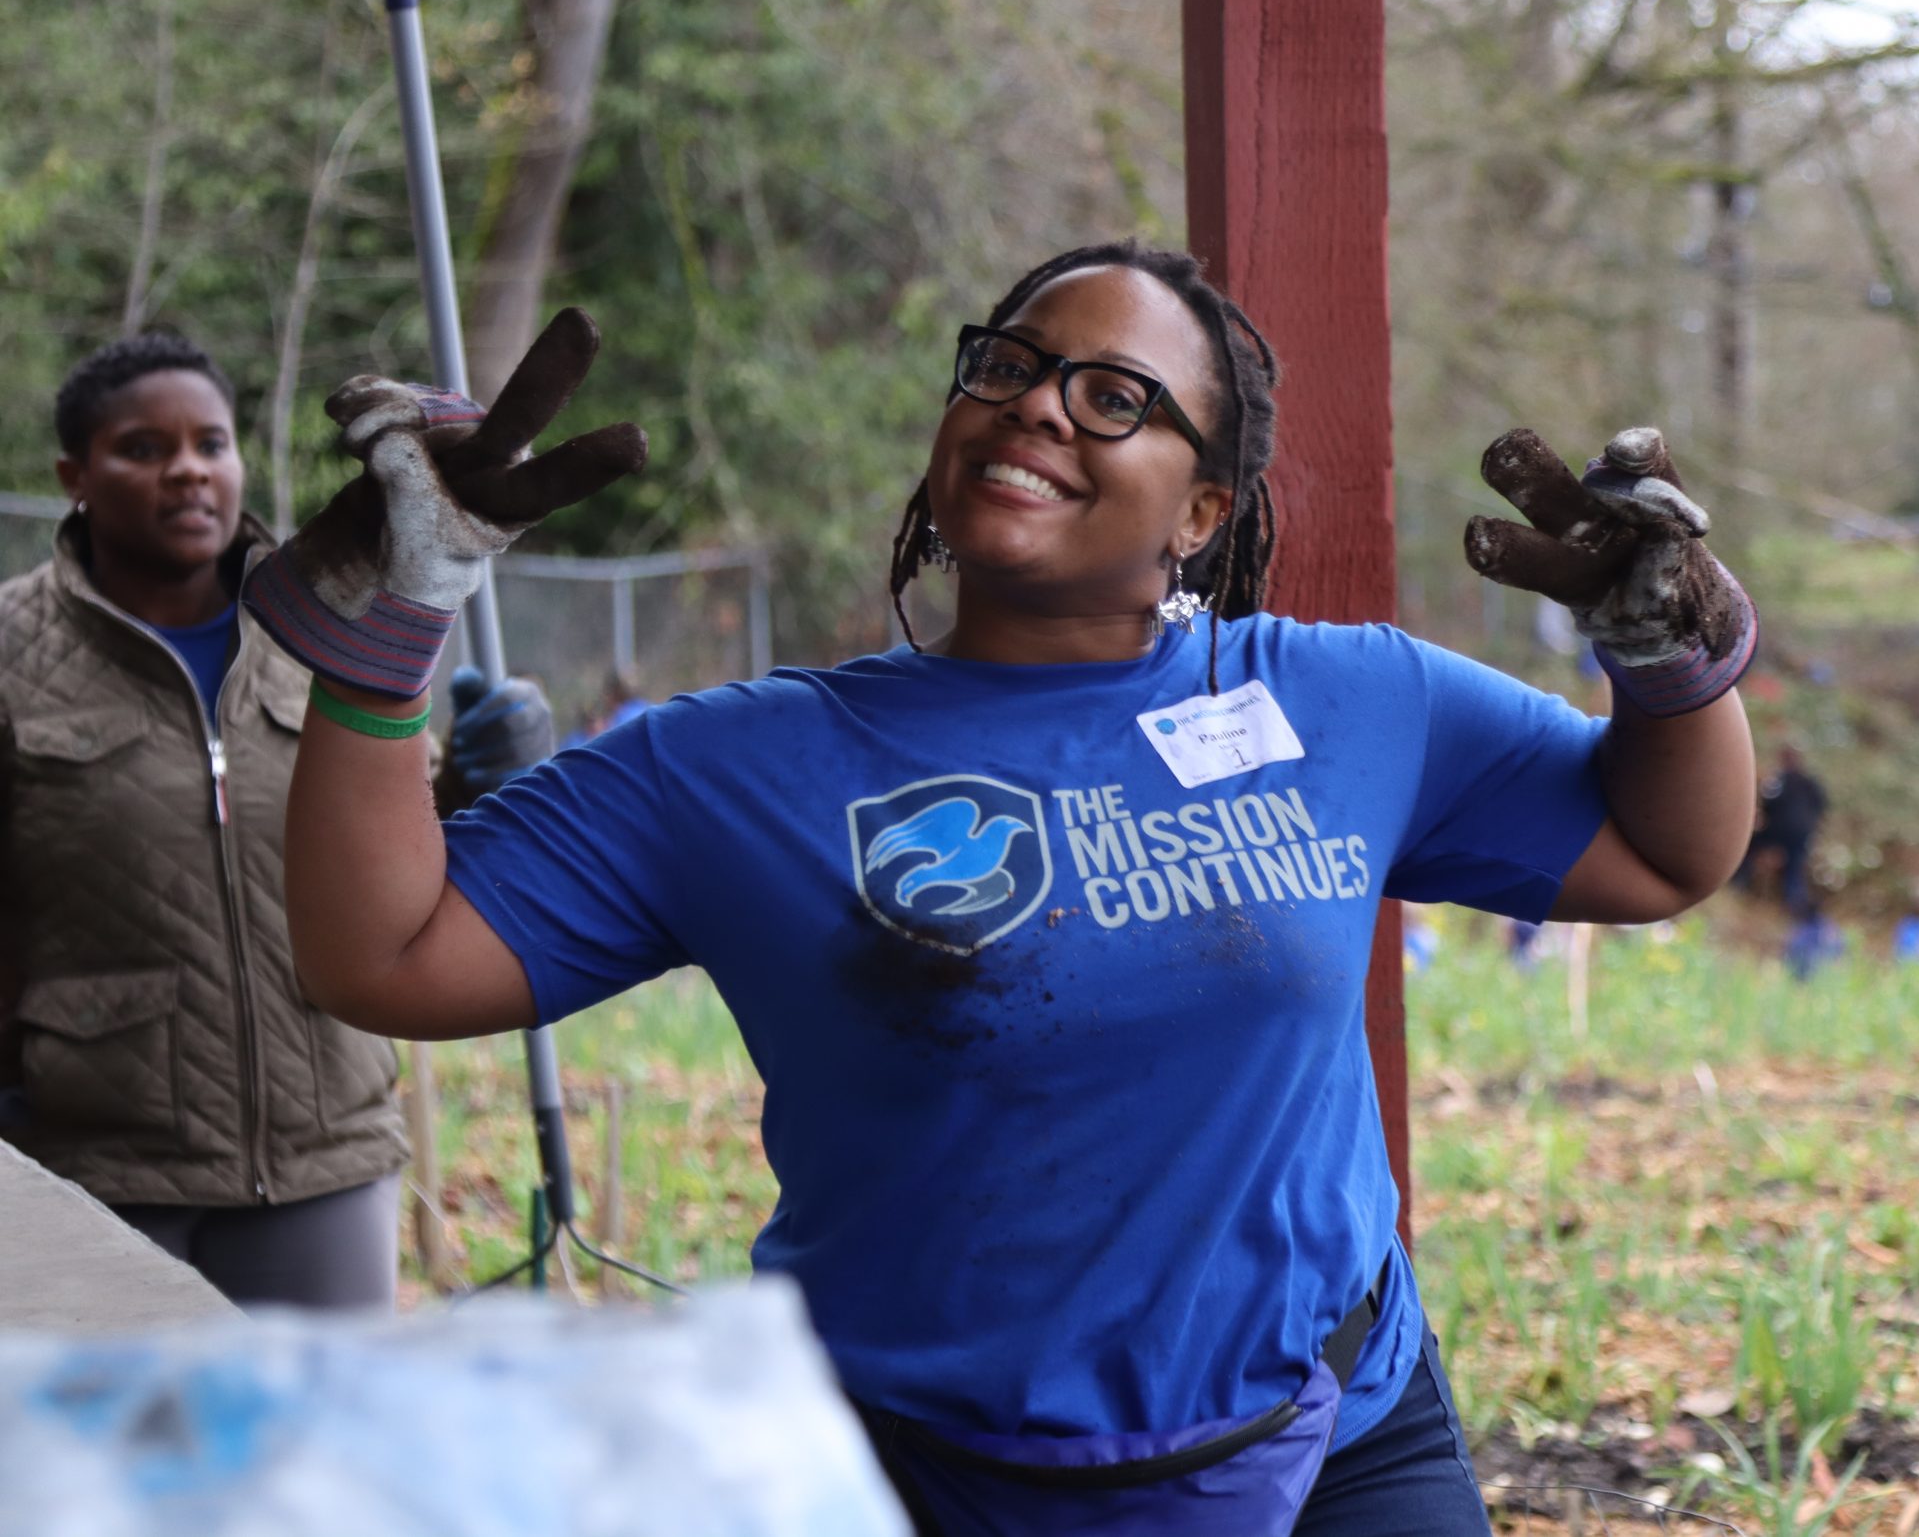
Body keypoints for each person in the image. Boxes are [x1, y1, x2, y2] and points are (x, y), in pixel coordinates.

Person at [243, 244, 1761, 1536]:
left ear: (1201, 517)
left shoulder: (1352, 703)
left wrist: (1666, 653)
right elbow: (382, 954)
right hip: (921, 1469)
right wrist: (399, 616)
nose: (1038, 400)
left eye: (1116, 395)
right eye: (1009, 367)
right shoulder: (739, 765)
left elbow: (1661, 848)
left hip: (1337, 1446)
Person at [0, 332, 414, 1308]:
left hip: (325, 1153)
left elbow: (409, 837)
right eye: (143, 448)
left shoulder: (333, 633)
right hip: (92, 1170)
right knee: (116, 1459)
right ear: (75, 475)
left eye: (211, 443)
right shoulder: (12, 656)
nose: (186, 468)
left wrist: (479, 772)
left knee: (324, 1451)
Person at [1752, 744, 1827, 913]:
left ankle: (1738, 882)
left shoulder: (1780, 780)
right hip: (1802, 832)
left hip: (1779, 830)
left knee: (1749, 846)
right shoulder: (1810, 782)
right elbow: (1821, 804)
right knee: (1794, 867)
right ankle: (1795, 906)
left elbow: (1770, 802)